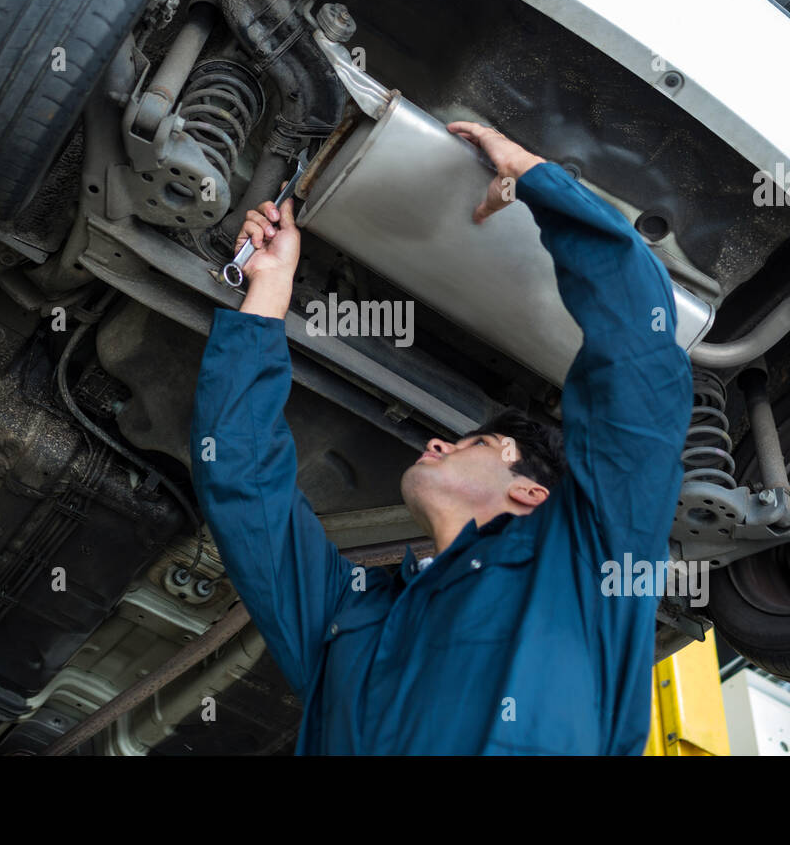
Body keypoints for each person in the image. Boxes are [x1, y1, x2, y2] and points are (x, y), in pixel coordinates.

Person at [189, 121, 693, 754]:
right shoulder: (349, 612)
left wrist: (538, 179)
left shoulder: (584, 569)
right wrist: (267, 292)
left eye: (473, 444)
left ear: (533, 495)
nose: (436, 443)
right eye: (462, 440)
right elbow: (240, 483)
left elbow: (638, 363)